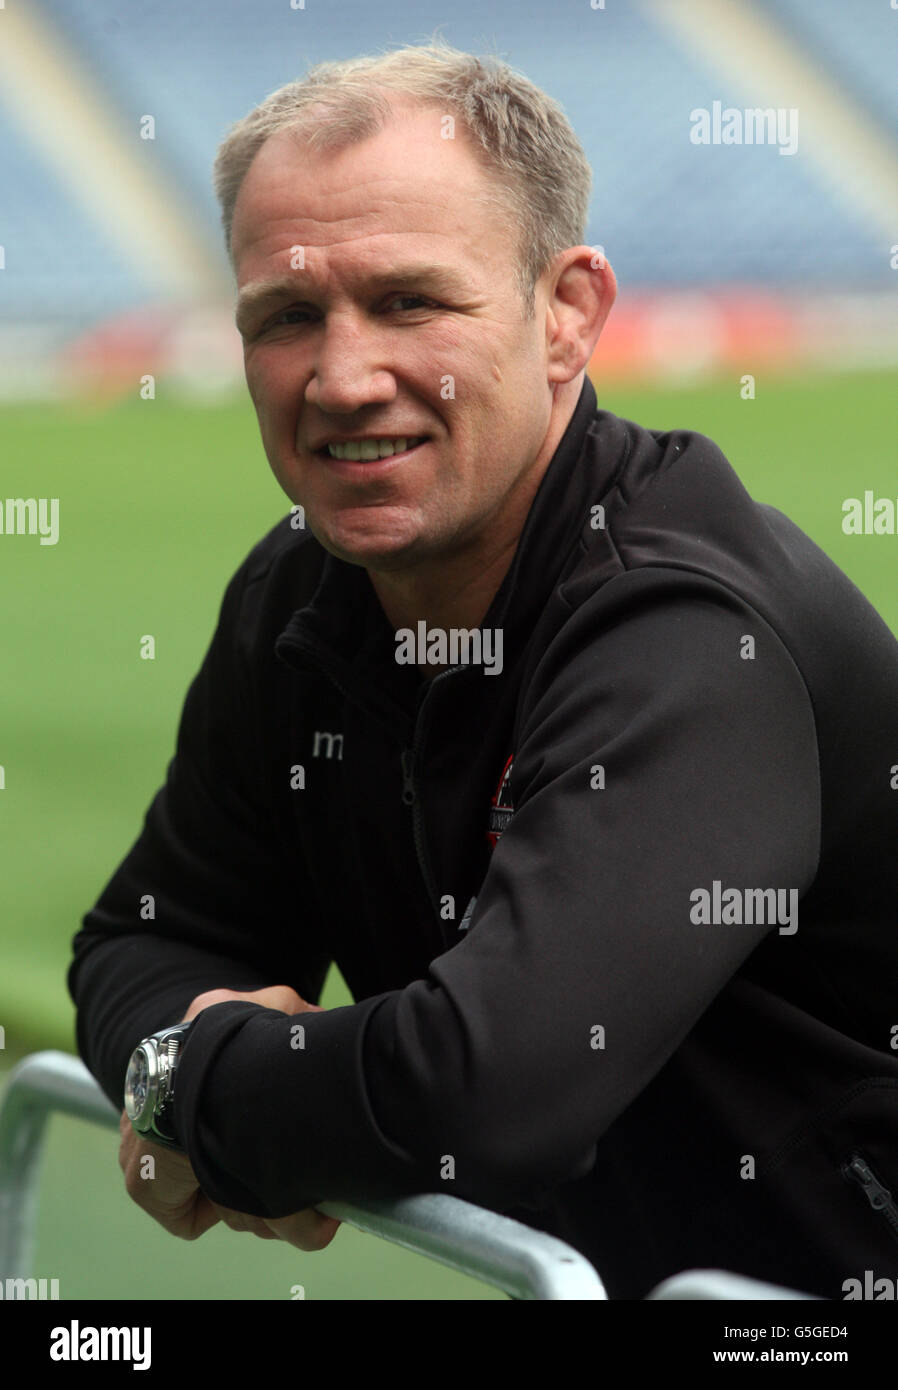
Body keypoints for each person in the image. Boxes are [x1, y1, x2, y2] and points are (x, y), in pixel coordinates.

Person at [68, 41, 898, 1300]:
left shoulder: (690, 633)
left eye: (409, 302)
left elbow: (491, 1090)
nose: (344, 379)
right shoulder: (303, 592)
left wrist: (205, 1090)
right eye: (288, 317)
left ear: (566, 313)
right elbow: (148, 938)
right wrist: (214, 1077)